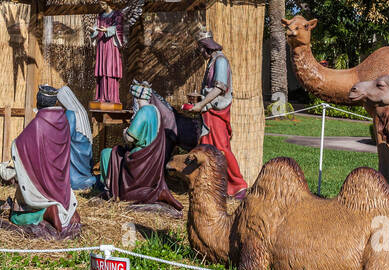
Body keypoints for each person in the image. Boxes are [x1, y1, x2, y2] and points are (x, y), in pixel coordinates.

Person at [0, 85, 81, 238]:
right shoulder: (63, 122)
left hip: (42, 182)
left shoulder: (37, 124)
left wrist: (6, 167)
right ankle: (59, 208)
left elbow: (19, 146)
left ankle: (46, 211)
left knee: (17, 215)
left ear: (39, 101)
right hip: (59, 182)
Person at [182, 27, 247, 198]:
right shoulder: (213, 61)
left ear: (206, 47)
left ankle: (239, 185)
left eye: (200, 49)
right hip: (209, 112)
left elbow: (220, 88)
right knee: (207, 147)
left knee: (221, 148)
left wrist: (201, 103)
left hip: (217, 111)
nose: (200, 52)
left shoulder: (220, 61)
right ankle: (214, 184)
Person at [99, 80, 181, 210]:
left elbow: (130, 138)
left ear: (136, 99)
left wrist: (125, 133)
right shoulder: (155, 110)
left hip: (138, 159)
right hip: (150, 160)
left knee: (107, 153)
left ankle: (110, 189)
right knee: (116, 152)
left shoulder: (144, 112)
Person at [57, 85, 97, 190]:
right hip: (84, 150)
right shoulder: (81, 110)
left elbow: (66, 136)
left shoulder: (70, 112)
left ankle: (80, 181)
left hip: (76, 152)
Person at [90, 5, 125, 108]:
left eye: (103, 3)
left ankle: (111, 97)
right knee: (102, 70)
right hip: (101, 44)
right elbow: (96, 28)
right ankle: (101, 96)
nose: (101, 6)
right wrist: (93, 31)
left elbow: (118, 27)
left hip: (110, 45)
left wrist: (107, 30)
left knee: (109, 69)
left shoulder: (117, 14)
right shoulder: (100, 15)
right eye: (100, 4)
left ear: (108, 3)